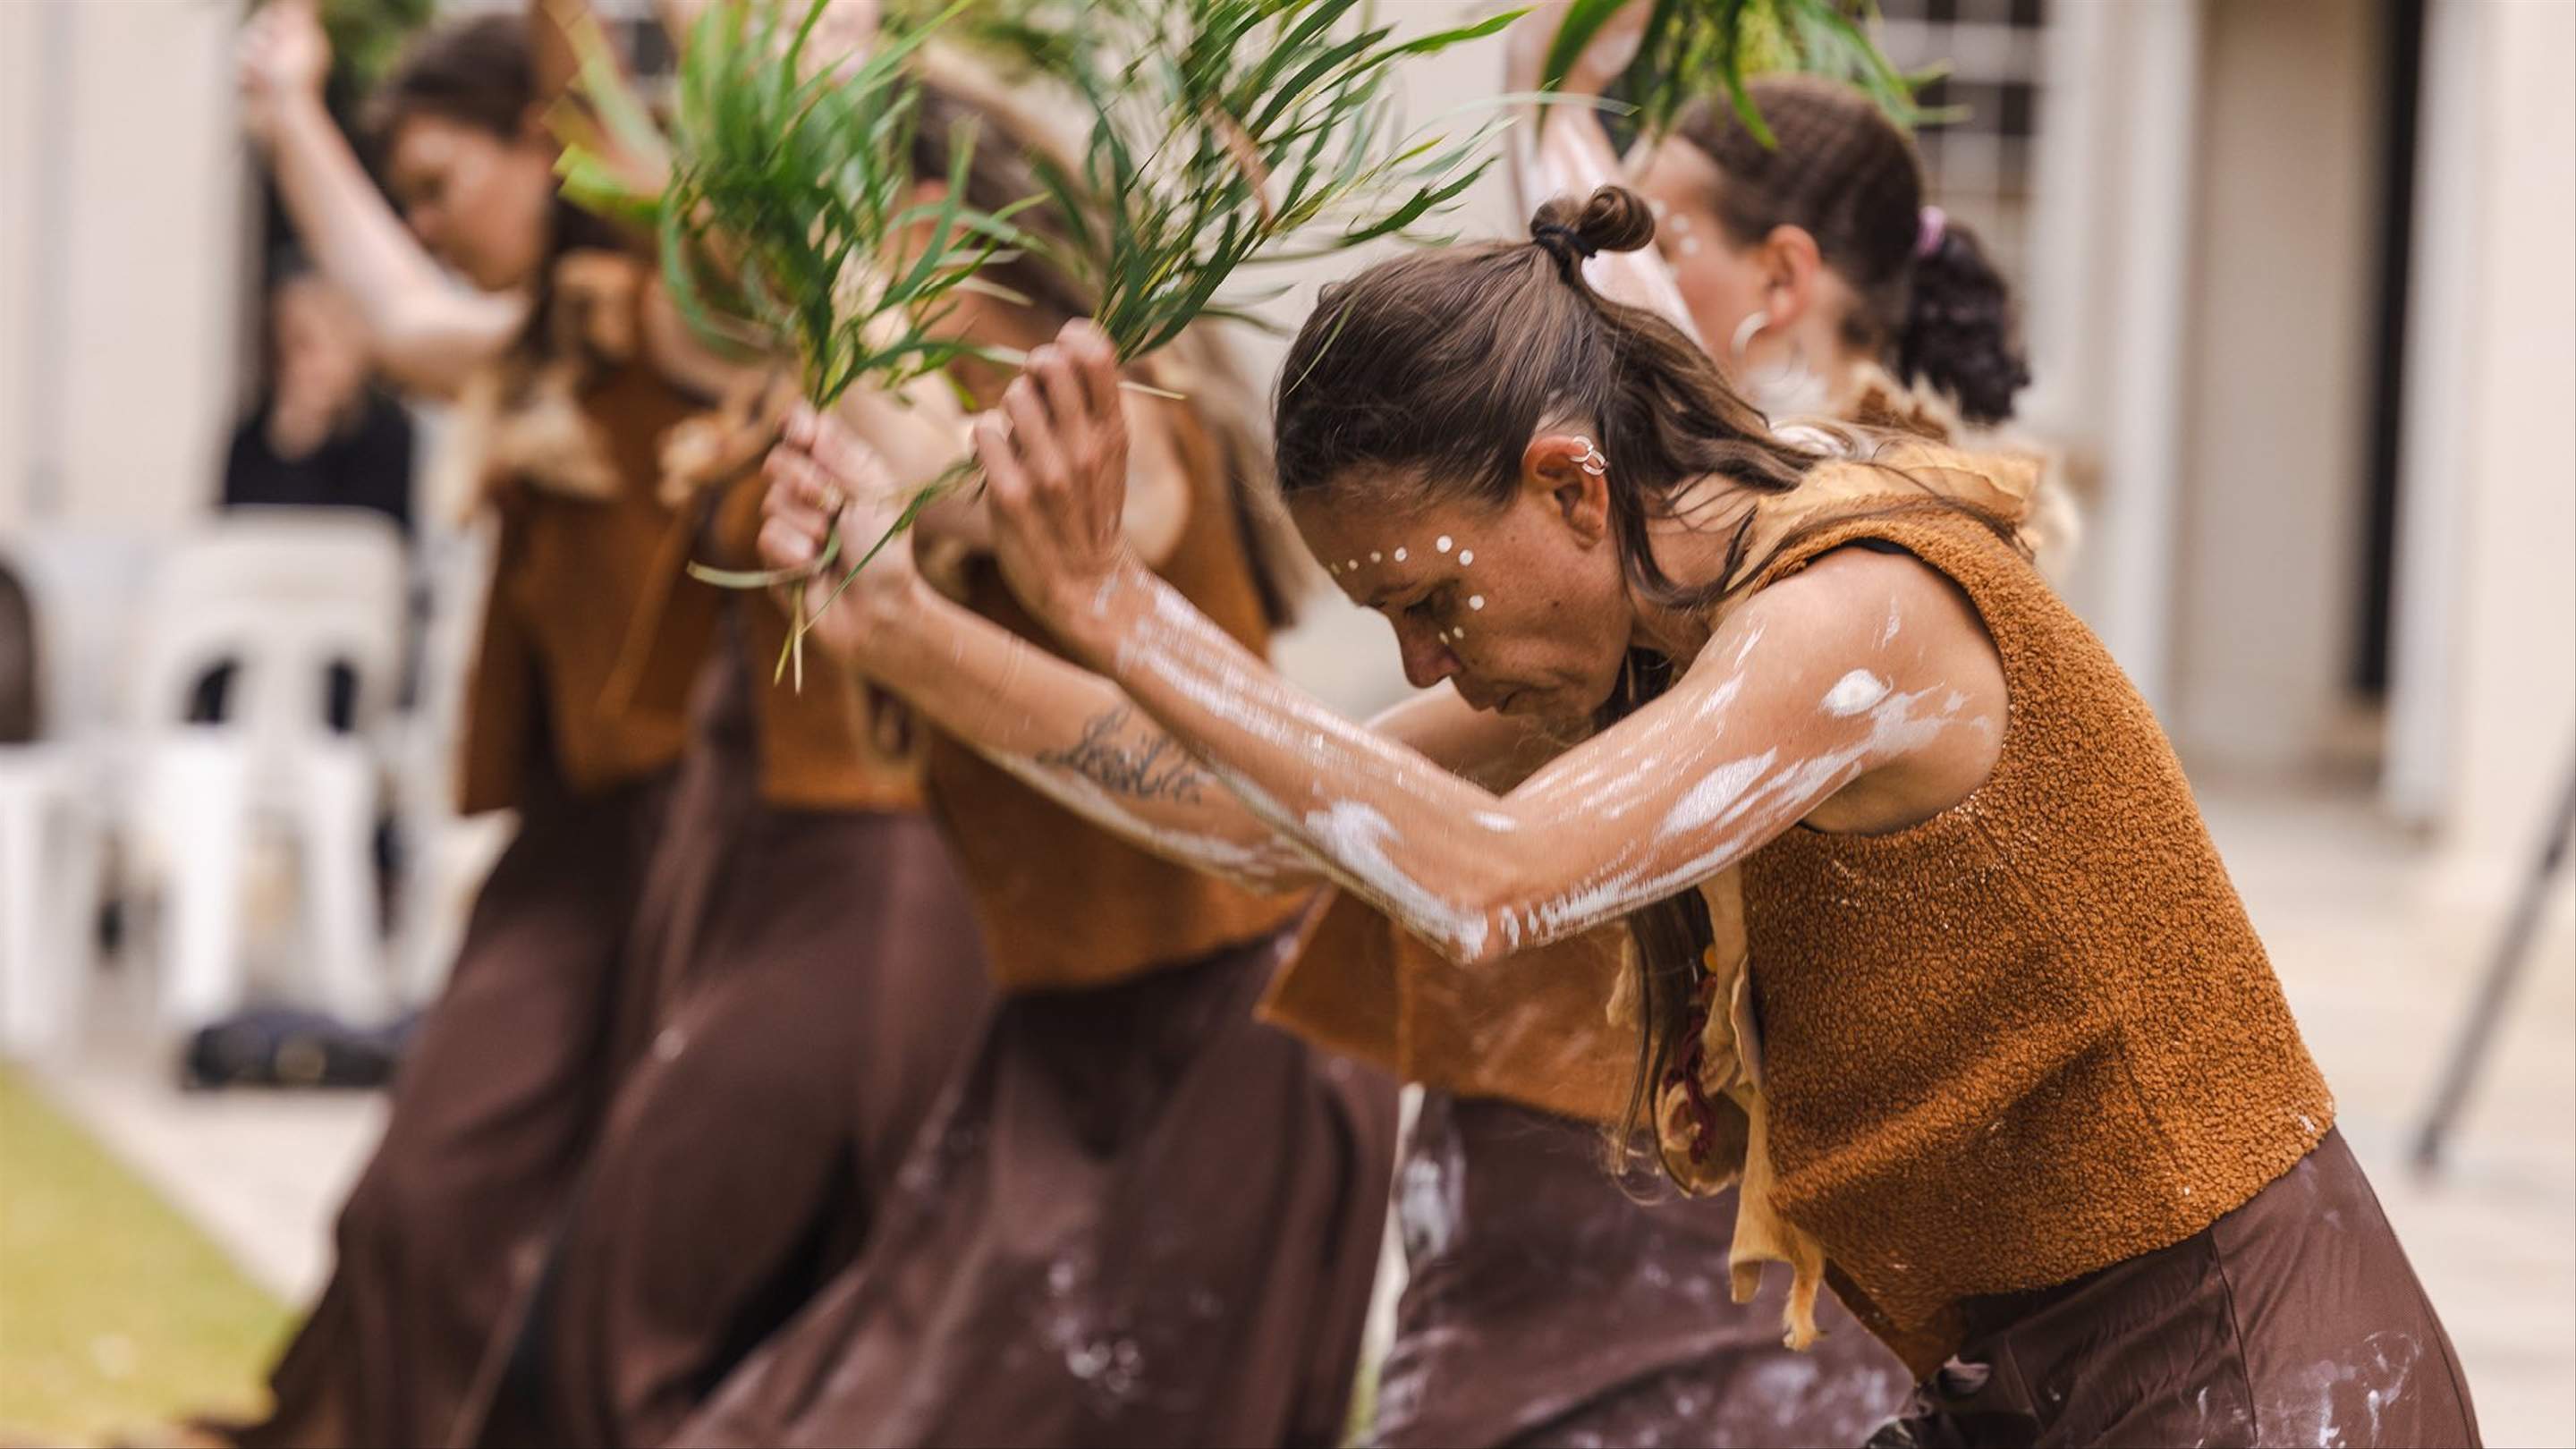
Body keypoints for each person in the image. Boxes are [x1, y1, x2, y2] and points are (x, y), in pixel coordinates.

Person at [757, 181, 2481, 1447]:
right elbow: (1270, 813)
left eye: (1432, 603)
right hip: (2024, 1377)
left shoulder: (1850, 614)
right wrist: (909, 628)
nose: (1427, 656)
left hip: (2256, 1377)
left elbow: (1490, 883)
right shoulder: (1640, 640)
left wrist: (1123, 612)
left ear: (1572, 484)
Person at [224, 4, 984, 1445]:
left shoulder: (696, 298)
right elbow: (394, 314)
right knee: (440, 1214)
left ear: (546, 150)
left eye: (447, 185)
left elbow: (640, 136)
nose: (429, 224)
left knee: (663, 1268)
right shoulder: (550, 337)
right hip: (596, 845)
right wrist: (287, 114)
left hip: (734, 844)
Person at [667, 61, 1396, 1449]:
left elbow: (944, 493)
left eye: (879, 254)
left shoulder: (1121, 418)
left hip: (1244, 1031)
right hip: (1066, 1030)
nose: (844, 315)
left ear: (961, 235)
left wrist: (817, 213)